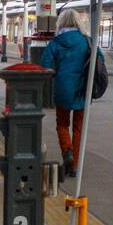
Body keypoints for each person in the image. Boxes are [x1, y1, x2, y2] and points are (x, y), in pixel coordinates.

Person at [40, 9, 91, 178]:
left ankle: (67, 151)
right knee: (78, 127)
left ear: (61, 23)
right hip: (82, 89)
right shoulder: (86, 40)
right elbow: (99, 59)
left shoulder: (55, 42)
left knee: (62, 124)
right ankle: (75, 166)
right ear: (78, 22)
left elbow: (45, 64)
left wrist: (56, 73)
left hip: (62, 89)